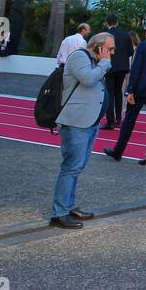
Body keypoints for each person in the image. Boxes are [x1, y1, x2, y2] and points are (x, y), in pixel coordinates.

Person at [49, 32, 115, 229]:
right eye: (109, 49)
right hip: (76, 122)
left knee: (77, 167)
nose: (112, 53)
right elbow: (87, 79)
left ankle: (68, 206)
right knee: (70, 167)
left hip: (88, 121)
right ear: (98, 46)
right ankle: (59, 212)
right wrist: (104, 63)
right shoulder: (79, 56)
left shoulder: (93, 60)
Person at [104, 20, 146, 166]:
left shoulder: (143, 46)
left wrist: (130, 90)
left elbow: (136, 69)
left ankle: (118, 151)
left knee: (129, 121)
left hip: (140, 89)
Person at [103, 15, 134, 132]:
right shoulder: (125, 34)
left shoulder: (105, 35)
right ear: (117, 22)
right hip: (122, 67)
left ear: (107, 23)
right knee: (118, 92)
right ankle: (119, 119)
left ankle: (110, 120)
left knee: (109, 93)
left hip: (109, 67)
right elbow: (130, 51)